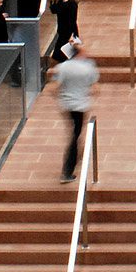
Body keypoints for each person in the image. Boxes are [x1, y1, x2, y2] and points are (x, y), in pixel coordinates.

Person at [52, 38, 99, 183]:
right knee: (75, 135)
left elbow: (55, 88)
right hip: (80, 105)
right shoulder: (88, 67)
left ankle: (75, 157)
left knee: (74, 132)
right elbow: (95, 88)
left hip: (66, 104)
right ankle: (68, 169)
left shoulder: (63, 67)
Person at [46, 0, 81, 65]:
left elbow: (72, 20)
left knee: (64, 55)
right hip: (62, 31)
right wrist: (53, 1)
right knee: (61, 55)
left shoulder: (72, 3)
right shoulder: (61, 1)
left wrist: (72, 35)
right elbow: (54, 10)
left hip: (68, 32)